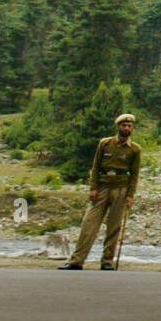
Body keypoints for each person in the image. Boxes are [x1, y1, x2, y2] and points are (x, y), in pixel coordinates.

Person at [59, 113, 141, 271]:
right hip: (102, 188)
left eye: (129, 126)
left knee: (114, 226)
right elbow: (96, 167)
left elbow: (135, 174)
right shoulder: (105, 143)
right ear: (118, 127)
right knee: (89, 224)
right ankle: (76, 261)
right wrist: (93, 188)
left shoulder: (135, 149)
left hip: (121, 189)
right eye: (123, 125)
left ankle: (107, 262)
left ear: (132, 128)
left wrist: (130, 195)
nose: (126, 128)